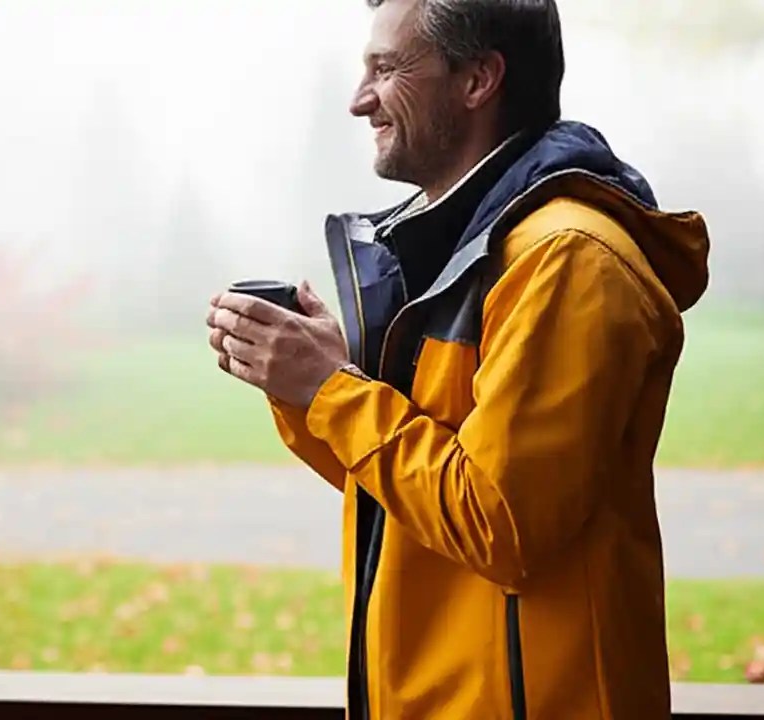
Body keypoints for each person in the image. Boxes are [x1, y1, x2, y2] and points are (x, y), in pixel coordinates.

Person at [206, 0, 710, 716]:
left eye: (386, 68)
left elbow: (499, 523)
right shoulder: (477, 252)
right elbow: (410, 496)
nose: (359, 101)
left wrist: (333, 390)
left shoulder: (565, 260)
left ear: (478, 79)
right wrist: (310, 380)